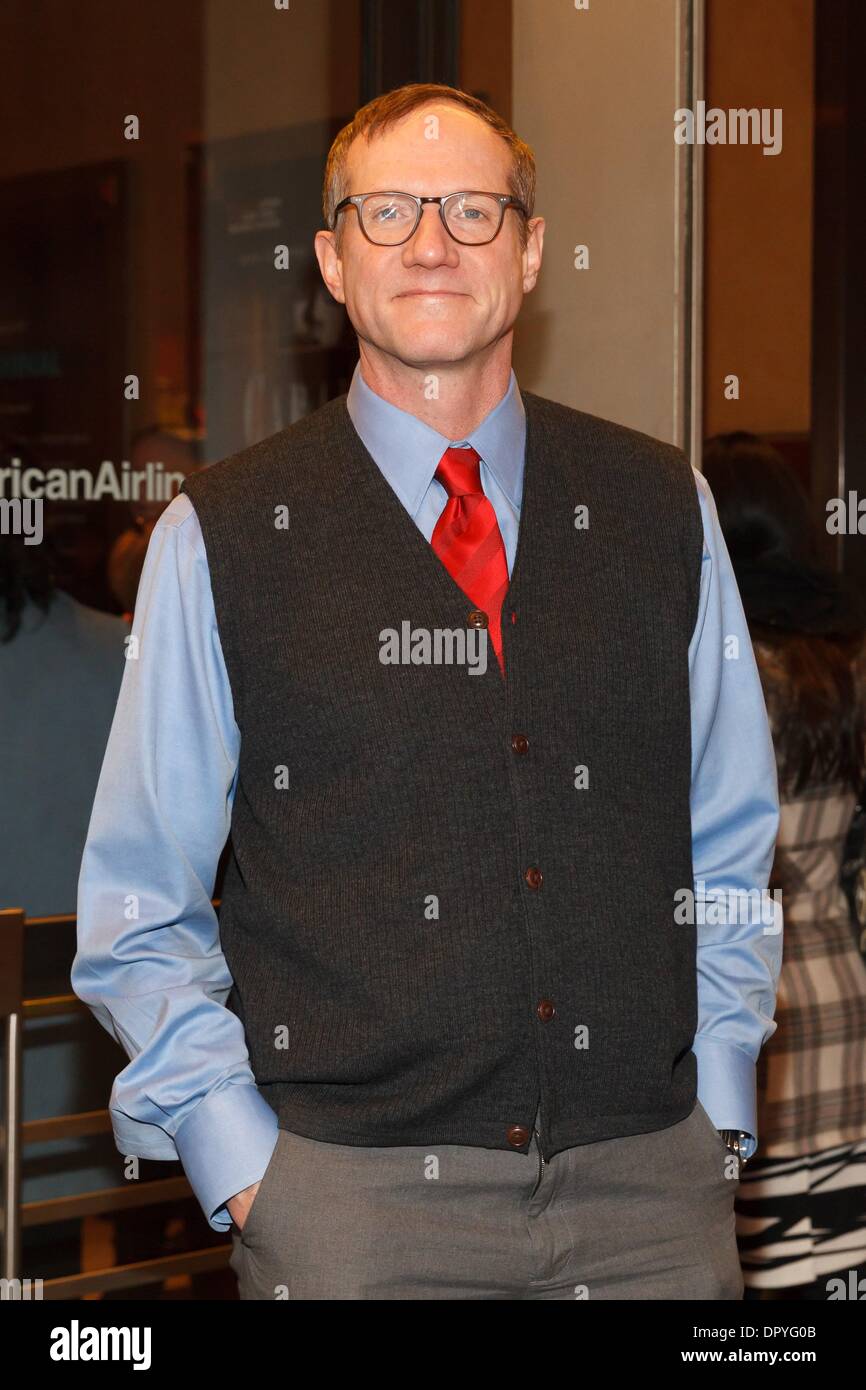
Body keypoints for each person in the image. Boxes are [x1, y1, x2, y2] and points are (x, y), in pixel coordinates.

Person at [73, 82, 783, 1301]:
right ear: (334, 261)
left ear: (529, 248)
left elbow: (727, 846)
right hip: (353, 1215)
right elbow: (138, 904)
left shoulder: (662, 506)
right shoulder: (224, 536)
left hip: (650, 1206)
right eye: (388, 210)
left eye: (469, 208)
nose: (430, 243)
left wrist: (717, 1101)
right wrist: (250, 1172)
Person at [703, 431, 866, 1299]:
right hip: (844, 1003)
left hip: (748, 1012)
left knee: (759, 1302)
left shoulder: (716, 672)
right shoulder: (843, 667)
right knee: (840, 1278)